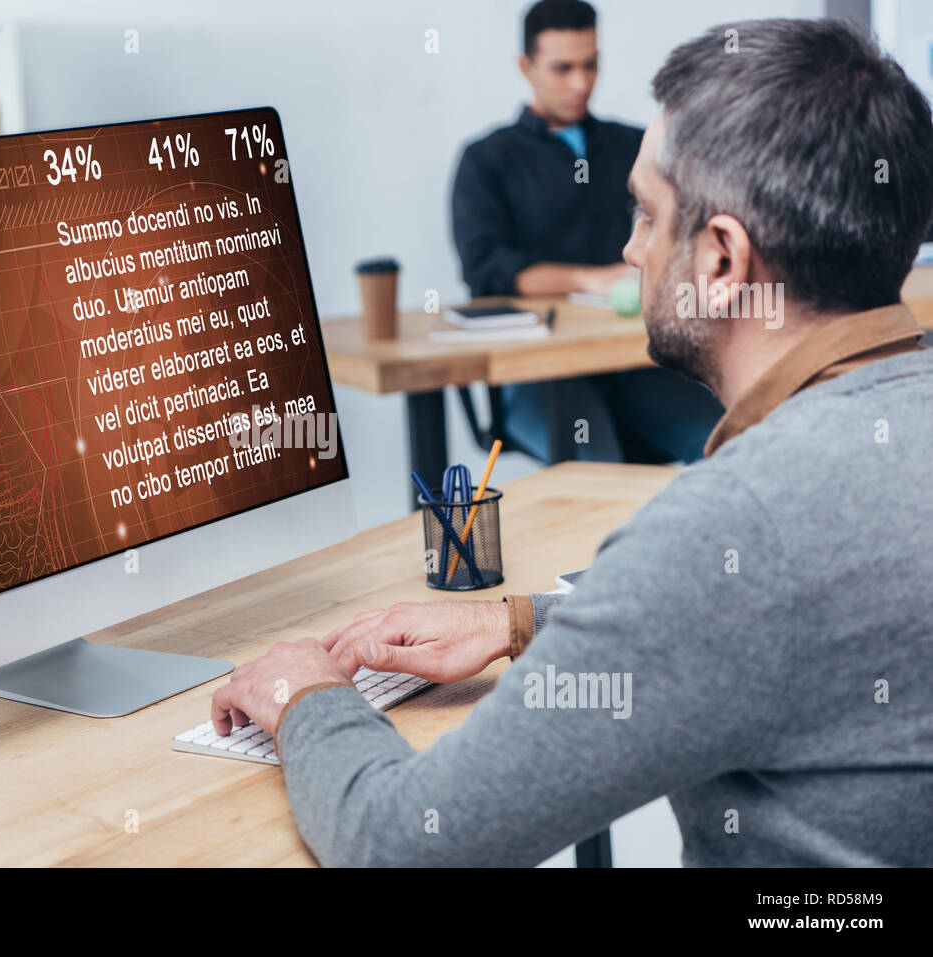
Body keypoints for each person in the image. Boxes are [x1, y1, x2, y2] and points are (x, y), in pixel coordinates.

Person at [210, 17, 933, 866]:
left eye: (648, 215)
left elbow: (403, 843)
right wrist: (526, 622)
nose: (630, 249)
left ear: (723, 257)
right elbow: (789, 614)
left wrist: (305, 693)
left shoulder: (737, 528)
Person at [452, 0, 723, 464]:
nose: (581, 83)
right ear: (526, 66)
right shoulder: (487, 160)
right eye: (563, 68)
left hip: (636, 365)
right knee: (598, 468)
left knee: (730, 441)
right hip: (542, 376)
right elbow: (487, 269)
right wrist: (589, 279)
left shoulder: (635, 146)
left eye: (591, 64)